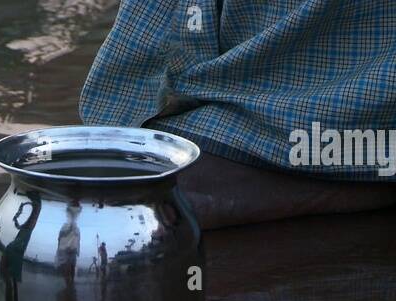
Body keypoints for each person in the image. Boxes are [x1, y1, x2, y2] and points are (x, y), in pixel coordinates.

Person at [79, 0, 396, 229]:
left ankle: (305, 174)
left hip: (265, 137)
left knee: (115, 192)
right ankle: (362, 168)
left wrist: (123, 114)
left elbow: (162, 53)